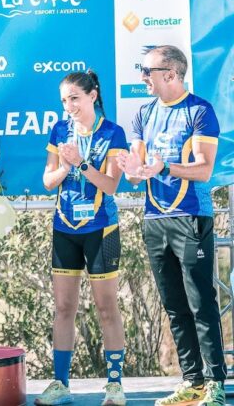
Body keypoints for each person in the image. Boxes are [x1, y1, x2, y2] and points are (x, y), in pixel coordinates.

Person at [118, 45, 224, 406]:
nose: (142, 77)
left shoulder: (200, 111)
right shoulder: (143, 114)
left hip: (191, 216)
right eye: (141, 69)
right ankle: (192, 382)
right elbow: (137, 171)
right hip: (154, 219)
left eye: (148, 70)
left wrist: (164, 167)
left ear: (172, 74)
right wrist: (131, 168)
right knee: (175, 306)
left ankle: (214, 383)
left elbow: (204, 170)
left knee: (201, 302)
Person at [35, 71, 127, 406]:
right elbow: (48, 180)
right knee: (63, 307)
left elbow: (112, 185)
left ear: (92, 95)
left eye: (74, 97)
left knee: (106, 307)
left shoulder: (113, 133)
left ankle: (114, 386)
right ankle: (60, 384)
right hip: (65, 228)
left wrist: (81, 162)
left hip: (100, 229)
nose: (69, 105)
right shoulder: (59, 131)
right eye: (64, 100)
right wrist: (64, 167)